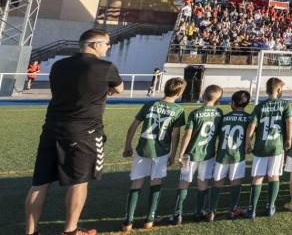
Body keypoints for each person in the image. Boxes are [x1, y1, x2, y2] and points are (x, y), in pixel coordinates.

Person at [25, 29, 124, 235]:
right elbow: (119, 89)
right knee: (79, 182)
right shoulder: (105, 67)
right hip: (83, 131)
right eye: (107, 43)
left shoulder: (58, 65)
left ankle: (31, 232)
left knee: (39, 183)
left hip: (52, 127)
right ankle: (70, 231)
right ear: (95, 44)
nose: (108, 47)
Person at [121, 78, 187, 232]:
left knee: (136, 183)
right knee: (155, 182)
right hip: (161, 151)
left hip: (142, 148)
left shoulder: (149, 104)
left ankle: (128, 221)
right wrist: (173, 154)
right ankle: (149, 219)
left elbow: (133, 127)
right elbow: (175, 135)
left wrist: (127, 146)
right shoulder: (178, 110)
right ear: (179, 93)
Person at [170, 84, 223, 225]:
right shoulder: (219, 113)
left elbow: (187, 135)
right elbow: (219, 134)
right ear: (219, 100)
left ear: (203, 95)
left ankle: (178, 214)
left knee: (184, 182)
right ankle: (199, 212)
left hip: (191, 154)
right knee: (203, 182)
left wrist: (181, 153)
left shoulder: (195, 113)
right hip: (208, 154)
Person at [245, 77, 292, 219]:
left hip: (261, 146)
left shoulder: (259, 106)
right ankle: (270, 206)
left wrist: (248, 142)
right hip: (276, 146)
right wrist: (289, 138)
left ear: (267, 90)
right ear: (278, 90)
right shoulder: (285, 104)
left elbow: (251, 125)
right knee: (274, 176)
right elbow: (289, 121)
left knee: (258, 177)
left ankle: (252, 209)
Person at [212, 90, 252, 219]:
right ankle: (233, 209)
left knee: (217, 181)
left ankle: (211, 210)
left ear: (233, 103)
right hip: (237, 155)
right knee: (235, 181)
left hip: (222, 154)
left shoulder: (224, 117)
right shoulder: (248, 118)